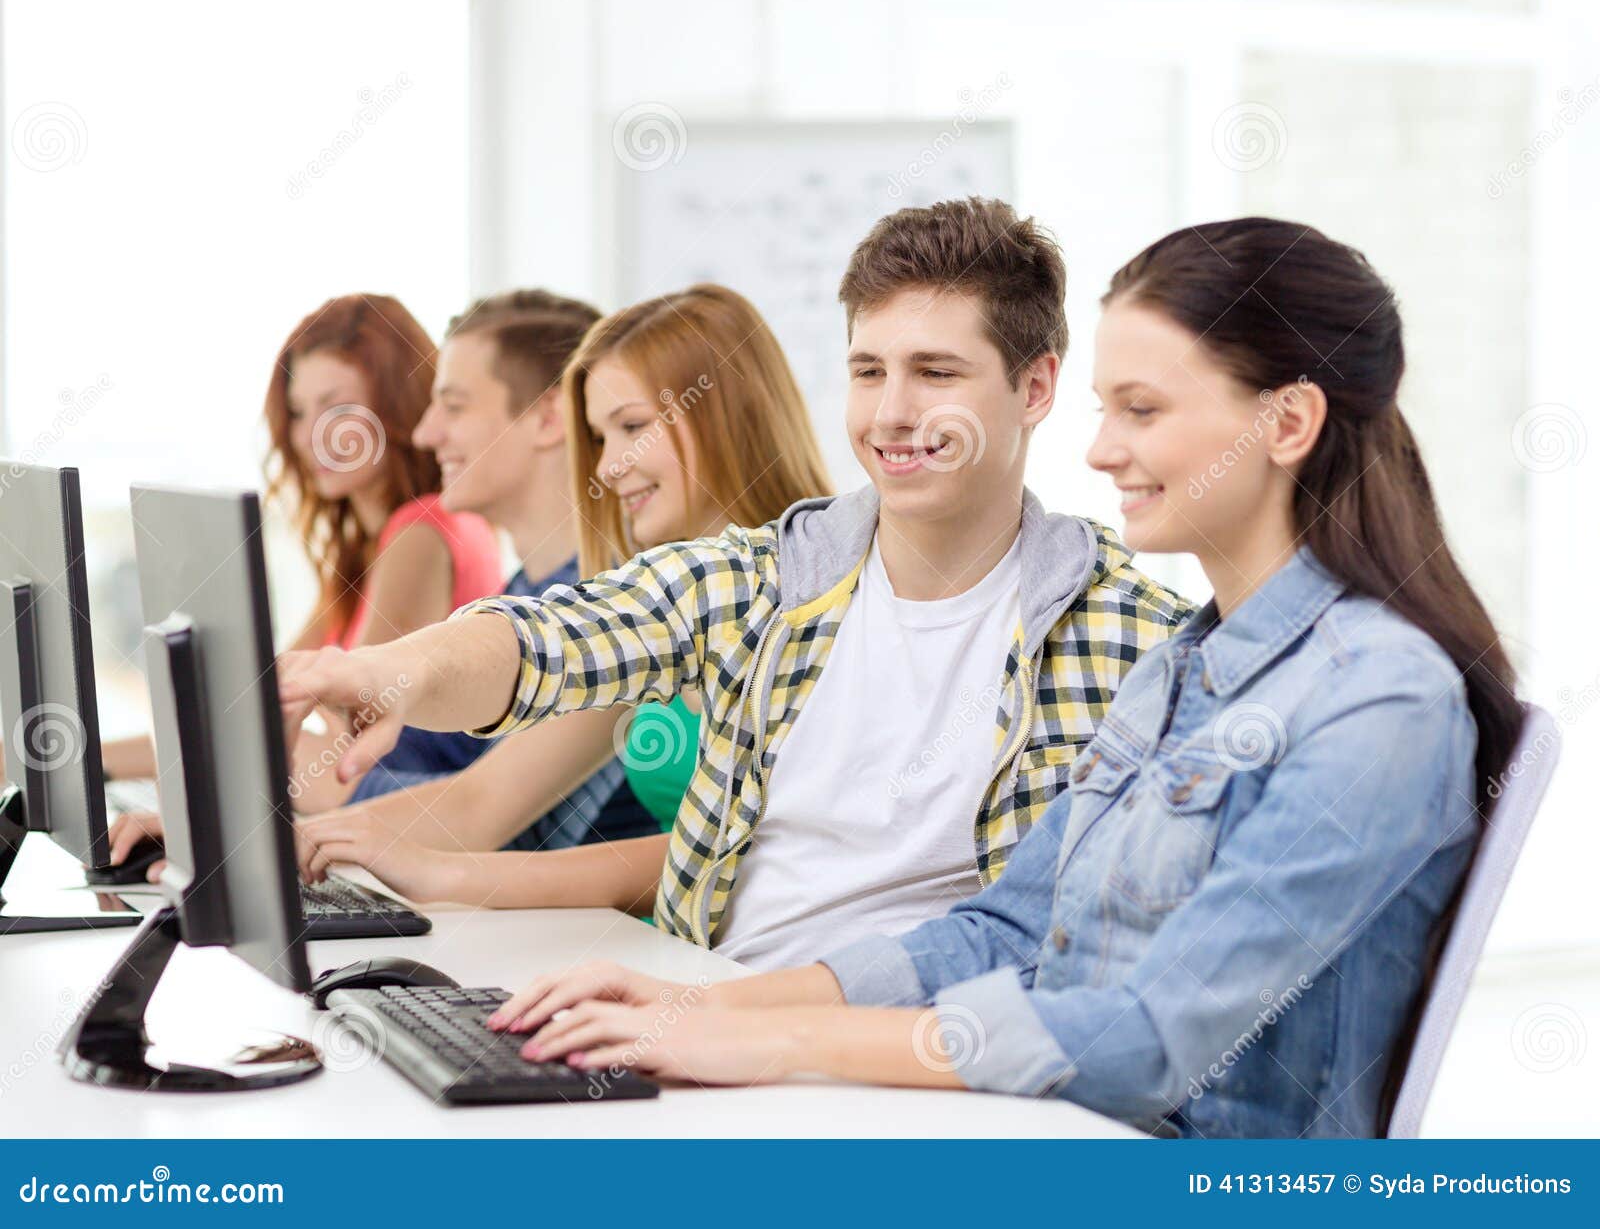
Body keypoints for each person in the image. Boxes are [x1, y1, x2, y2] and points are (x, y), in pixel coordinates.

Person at [484, 218, 1524, 1140]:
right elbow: (1009, 929)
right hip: (1028, 1128)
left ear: (1285, 424)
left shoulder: (1378, 698)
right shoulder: (1184, 668)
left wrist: (777, 1041)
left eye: (1142, 409)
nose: (1103, 447)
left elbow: (1150, 1037)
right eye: (1106, 406)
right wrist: (715, 1010)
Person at [279, 198, 1189, 969]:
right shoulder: (762, 582)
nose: (892, 413)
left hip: (920, 1079)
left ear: (1035, 389)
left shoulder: (1135, 639)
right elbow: (550, 638)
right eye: (869, 372)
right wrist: (393, 671)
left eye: (935, 373)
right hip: (702, 1033)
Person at [296, 284, 833, 889]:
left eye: (632, 427)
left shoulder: (822, 599)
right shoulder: (658, 603)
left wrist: (449, 876)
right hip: (670, 952)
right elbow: (512, 700)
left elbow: (745, 851)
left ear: (724, 417)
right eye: (601, 437)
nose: (606, 467)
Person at [103, 294, 503, 867]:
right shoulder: (369, 549)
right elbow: (253, 710)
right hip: (378, 820)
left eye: (334, 406)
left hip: (414, 823)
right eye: (297, 411)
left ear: (393, 405)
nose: (311, 434)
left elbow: (334, 757)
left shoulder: (422, 533)